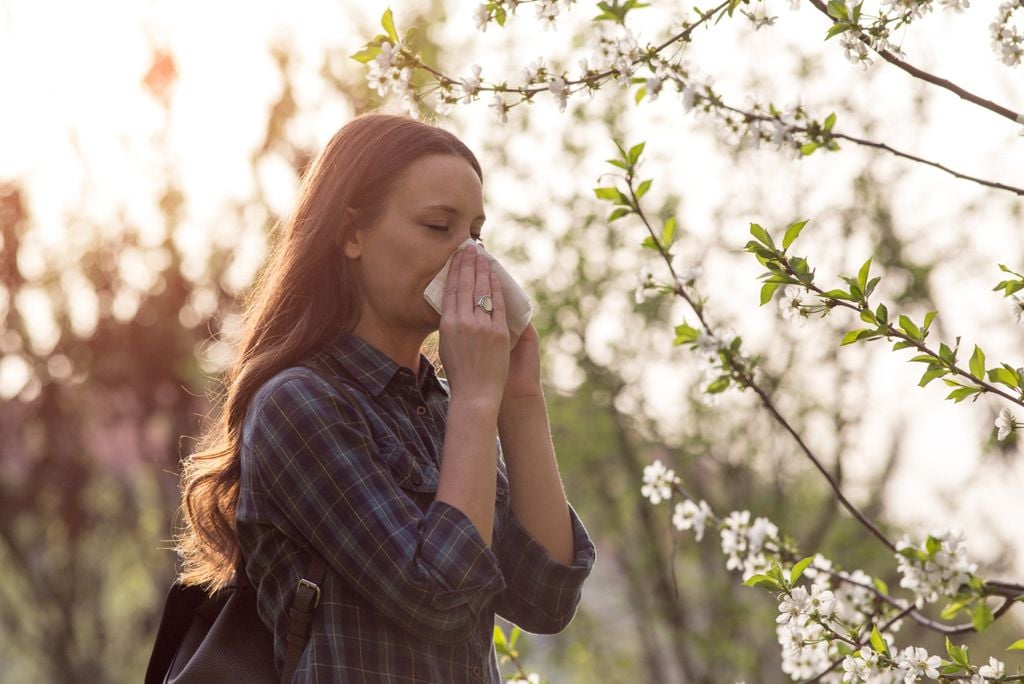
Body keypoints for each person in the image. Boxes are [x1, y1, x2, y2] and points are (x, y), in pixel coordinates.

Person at [174, 112, 596, 682]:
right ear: (352, 233)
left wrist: (519, 401)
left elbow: (547, 597)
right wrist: (476, 401)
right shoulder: (299, 406)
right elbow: (437, 597)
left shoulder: (445, 408)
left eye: (475, 233)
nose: (469, 258)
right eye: (437, 226)